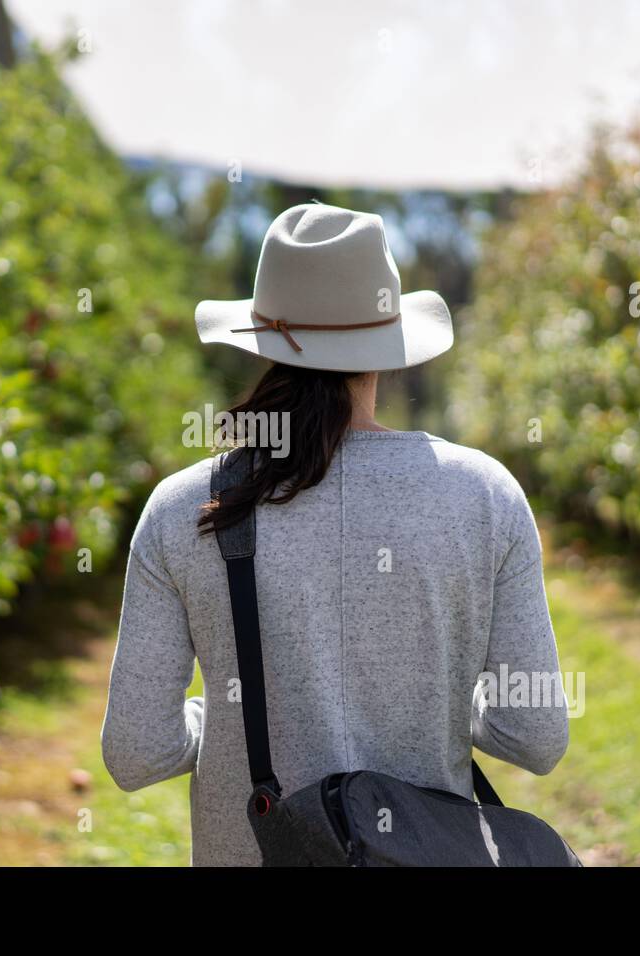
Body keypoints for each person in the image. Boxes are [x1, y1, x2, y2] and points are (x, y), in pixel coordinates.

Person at [101, 202, 569, 866]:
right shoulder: (485, 496)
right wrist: (434, 693)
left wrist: (228, 716)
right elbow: (537, 736)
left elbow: (134, 752)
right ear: (387, 342)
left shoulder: (186, 508)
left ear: (257, 338)